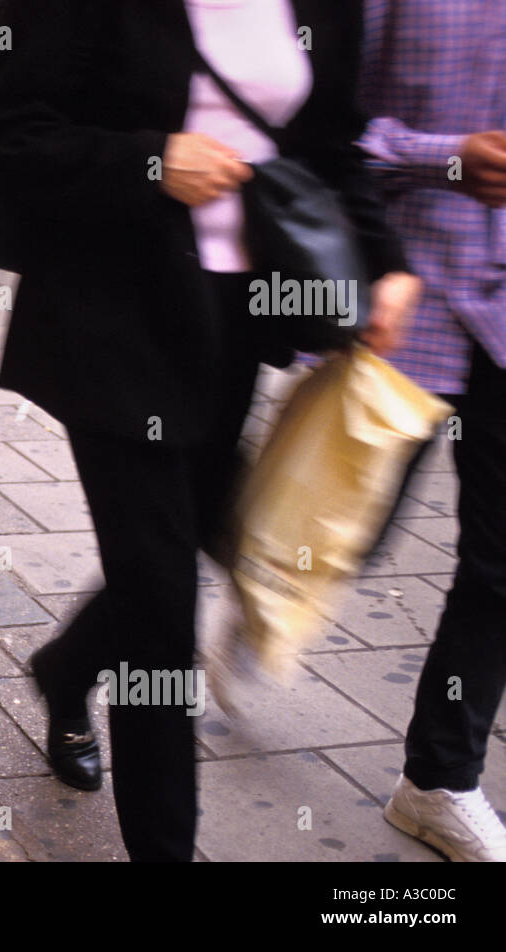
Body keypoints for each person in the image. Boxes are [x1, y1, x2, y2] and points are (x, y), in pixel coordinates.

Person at [0, 0, 420, 860]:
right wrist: (149, 161)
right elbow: (10, 136)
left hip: (236, 324)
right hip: (110, 318)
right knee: (161, 615)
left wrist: (389, 266)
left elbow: (330, 142)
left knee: (184, 553)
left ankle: (68, 669)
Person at [359, 0, 506, 862]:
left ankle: (437, 779)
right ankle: (260, 595)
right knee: (338, 539)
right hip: (409, 299)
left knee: (500, 561)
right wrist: (442, 157)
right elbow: (331, 131)